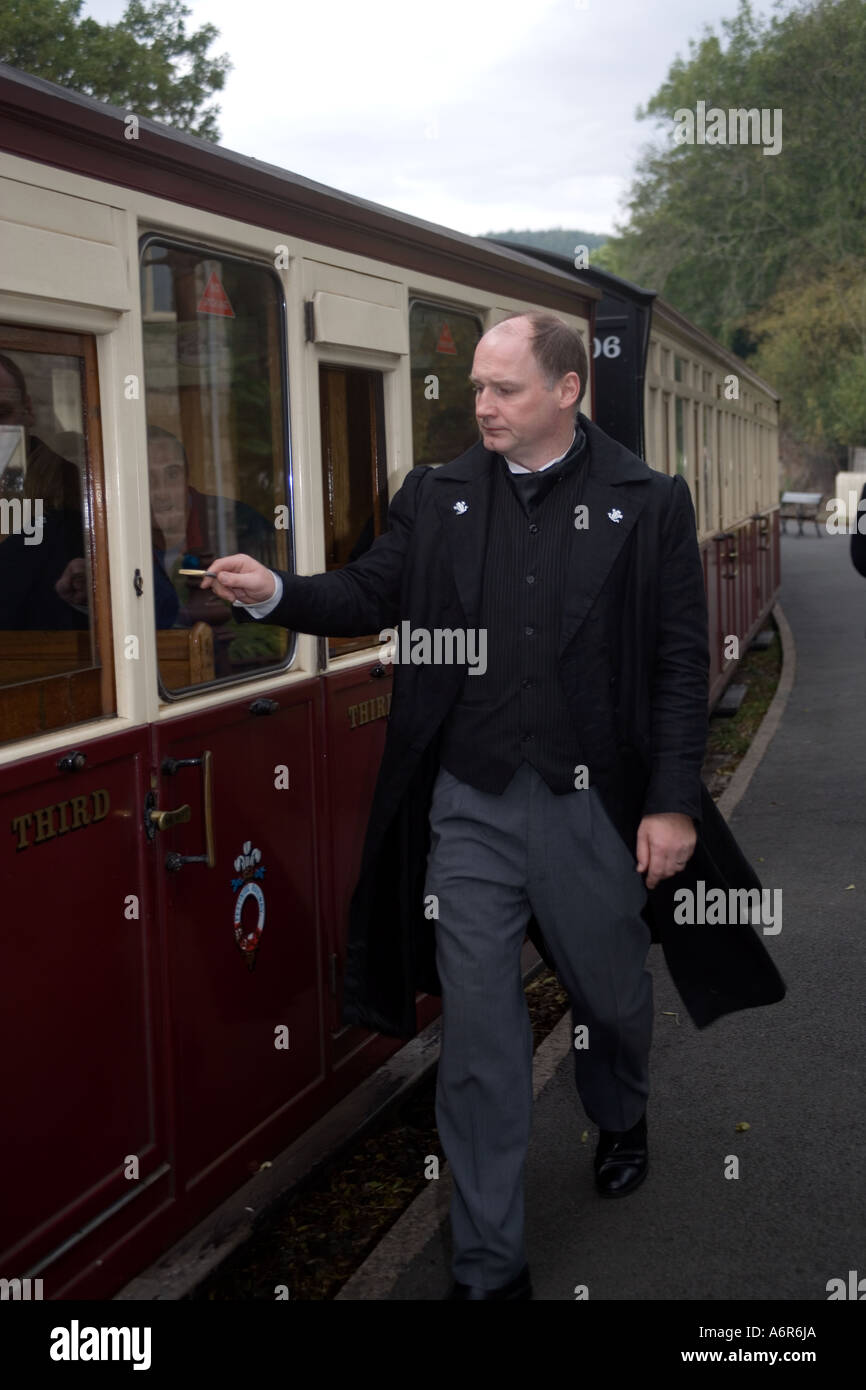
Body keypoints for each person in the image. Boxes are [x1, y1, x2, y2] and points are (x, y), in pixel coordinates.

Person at [202, 312, 785, 1301]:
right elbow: (365, 593)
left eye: (502, 388)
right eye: (474, 385)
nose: (479, 404)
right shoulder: (434, 497)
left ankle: (620, 1106)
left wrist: (669, 806)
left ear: (565, 392)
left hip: (588, 807)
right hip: (467, 807)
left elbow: (678, 666)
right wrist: (274, 593)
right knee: (476, 1035)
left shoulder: (646, 502)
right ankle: (486, 1266)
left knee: (609, 996)